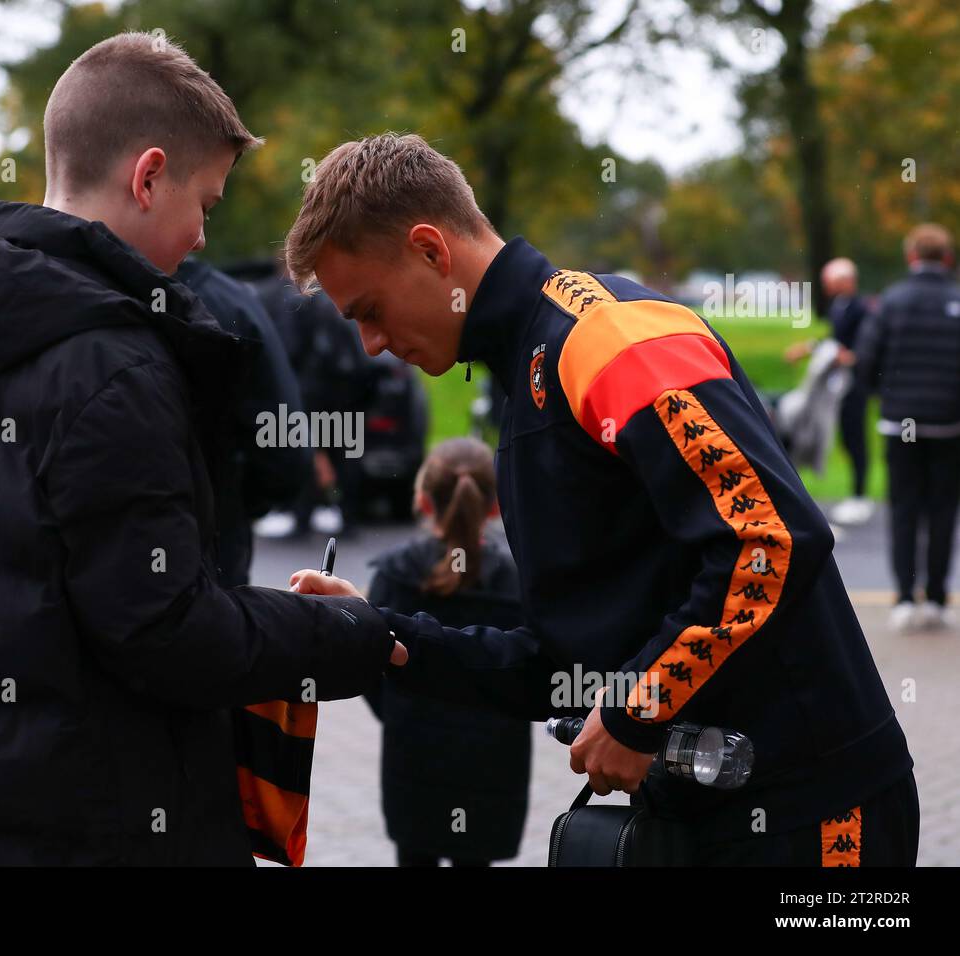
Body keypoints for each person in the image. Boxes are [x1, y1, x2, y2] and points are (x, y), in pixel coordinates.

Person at [286, 133, 917, 866]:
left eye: (368, 309)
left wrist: (637, 707)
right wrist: (377, 634)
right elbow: (561, 661)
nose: (368, 344)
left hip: (813, 813)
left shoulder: (607, 335)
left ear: (431, 251)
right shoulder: (525, 368)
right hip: (705, 812)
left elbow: (769, 539)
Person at [0, 33, 402, 866]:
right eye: (205, 202)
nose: (200, 237)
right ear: (147, 176)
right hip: (91, 822)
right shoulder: (112, 364)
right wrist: (342, 634)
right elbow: (165, 630)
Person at [363, 437, 530, 867]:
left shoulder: (396, 575)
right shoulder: (518, 580)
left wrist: (399, 708)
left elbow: (365, 657)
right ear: (494, 506)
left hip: (413, 751)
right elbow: (531, 663)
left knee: (414, 856)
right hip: (493, 757)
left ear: (422, 499)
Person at [175, 256, 310, 586]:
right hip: (213, 544)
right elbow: (286, 445)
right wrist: (234, 499)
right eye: (204, 209)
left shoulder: (69, 289)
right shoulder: (229, 302)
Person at [856, 223, 960, 633]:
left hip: (900, 424)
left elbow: (866, 361)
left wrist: (887, 396)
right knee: (943, 510)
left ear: (911, 256)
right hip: (949, 425)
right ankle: (935, 596)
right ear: (947, 258)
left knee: (903, 511)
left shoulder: (891, 302)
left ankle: (902, 596)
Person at [784, 257, 872, 526]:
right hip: (835, 385)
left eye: (830, 281)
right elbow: (835, 339)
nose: (826, 286)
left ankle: (860, 496)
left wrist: (852, 356)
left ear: (846, 280)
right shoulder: (839, 307)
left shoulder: (861, 309)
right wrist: (810, 347)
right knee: (835, 434)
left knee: (854, 436)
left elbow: (864, 345)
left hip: (854, 385)